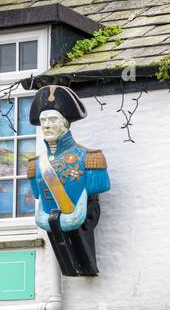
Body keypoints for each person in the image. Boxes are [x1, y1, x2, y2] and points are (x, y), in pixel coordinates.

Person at [24, 84, 110, 276]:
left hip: (80, 221)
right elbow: (39, 198)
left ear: (65, 123)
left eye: (53, 119)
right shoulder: (35, 166)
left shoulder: (90, 159)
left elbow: (98, 189)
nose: (46, 125)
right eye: (43, 120)